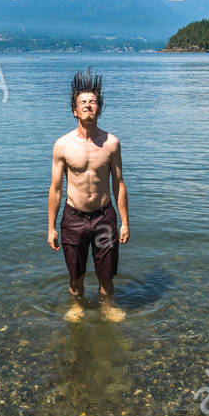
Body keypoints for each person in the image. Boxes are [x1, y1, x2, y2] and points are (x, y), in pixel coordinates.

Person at [47, 67, 129, 322]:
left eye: (93, 102)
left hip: (104, 217)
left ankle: (108, 306)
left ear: (99, 109)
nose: (88, 105)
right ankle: (77, 306)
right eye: (83, 102)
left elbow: (119, 183)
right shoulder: (62, 145)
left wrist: (124, 222)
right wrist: (51, 227)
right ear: (75, 110)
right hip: (73, 218)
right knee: (76, 273)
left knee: (106, 273)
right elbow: (56, 188)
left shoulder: (111, 143)